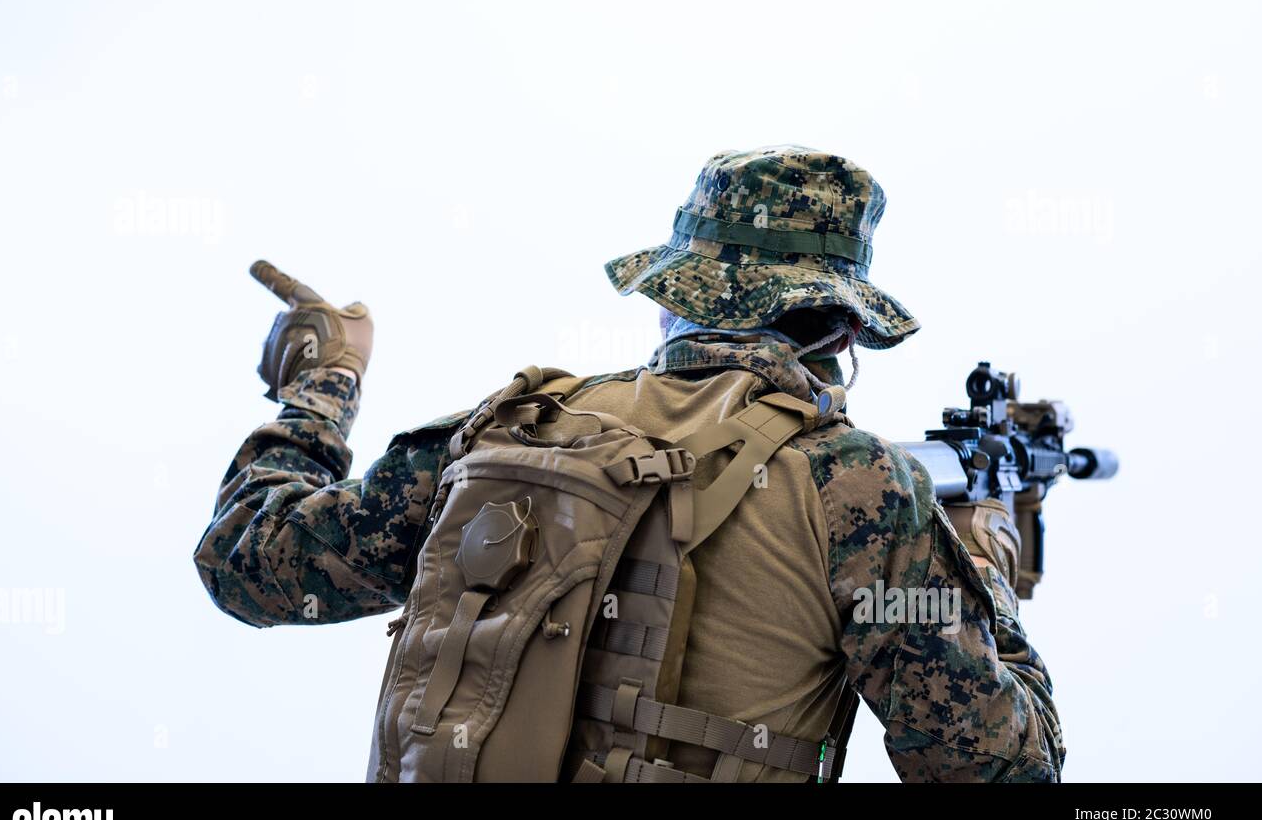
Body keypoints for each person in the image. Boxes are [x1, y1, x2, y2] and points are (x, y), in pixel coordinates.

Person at [194, 145, 1064, 782]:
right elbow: (997, 771)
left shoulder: (506, 427)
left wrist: (324, 385)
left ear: (672, 301)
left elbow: (245, 566)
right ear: (841, 333)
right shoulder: (861, 490)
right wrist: (978, 566)